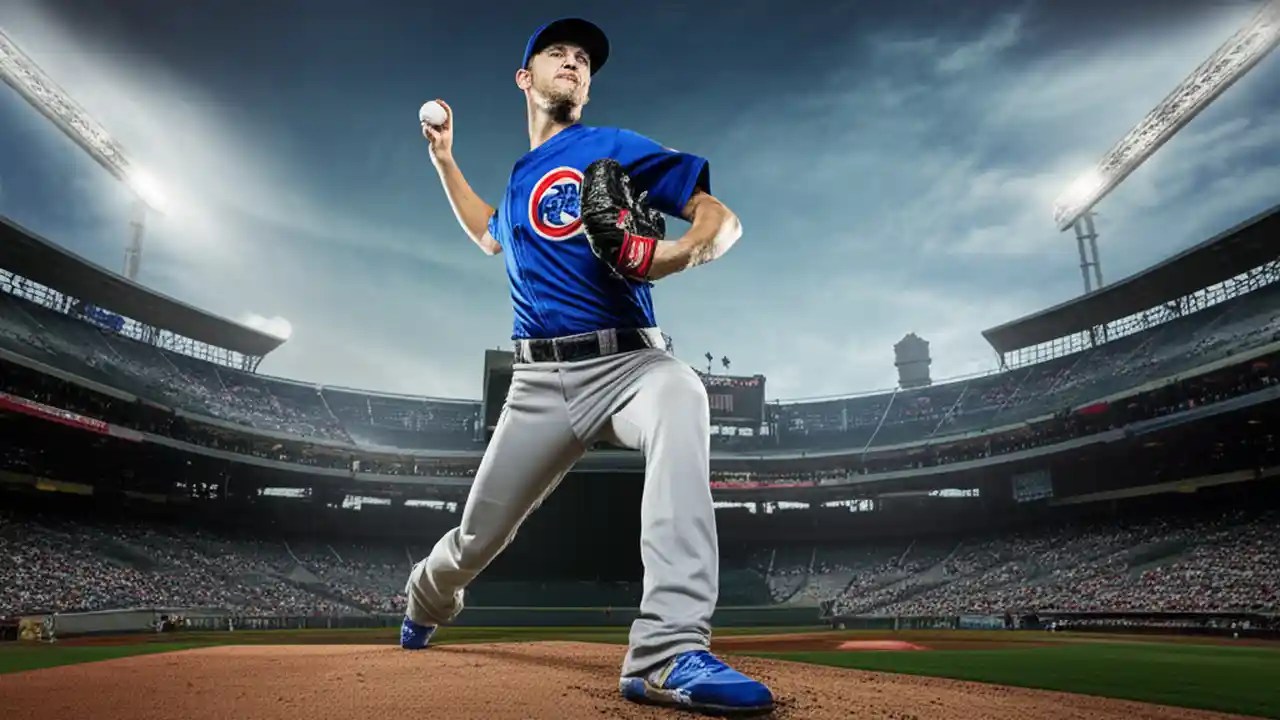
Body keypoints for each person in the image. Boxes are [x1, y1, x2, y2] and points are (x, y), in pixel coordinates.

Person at [400, 17, 774, 715]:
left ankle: (667, 651)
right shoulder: (517, 181)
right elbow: (487, 235)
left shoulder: (610, 148)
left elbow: (721, 220)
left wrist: (662, 256)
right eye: (557, 53)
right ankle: (425, 598)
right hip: (537, 384)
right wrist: (445, 161)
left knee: (682, 397)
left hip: (631, 363)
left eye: (583, 58)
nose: (573, 62)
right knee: (478, 536)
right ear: (526, 78)